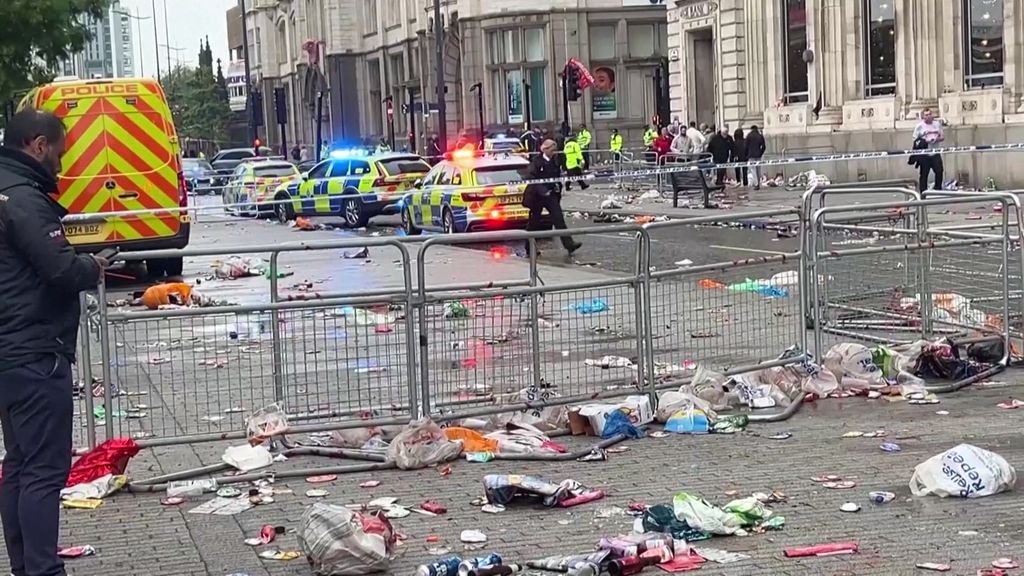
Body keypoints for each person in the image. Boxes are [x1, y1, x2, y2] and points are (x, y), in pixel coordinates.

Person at [0, 109, 106, 576]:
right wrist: (93, 267)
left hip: (9, 350)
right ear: (38, 145)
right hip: (34, 349)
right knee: (42, 469)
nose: (59, 167)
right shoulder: (23, 198)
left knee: (20, 465)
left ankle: (26, 567)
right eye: (58, 154)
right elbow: (58, 270)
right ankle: (42, 570)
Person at [522, 139, 581, 255]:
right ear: (545, 149)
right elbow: (531, 177)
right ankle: (529, 247)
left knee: (559, 219)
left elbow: (557, 175)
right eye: (552, 150)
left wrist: (557, 187)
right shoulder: (536, 161)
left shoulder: (555, 160)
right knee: (534, 223)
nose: (554, 152)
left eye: (555, 150)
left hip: (551, 195)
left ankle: (569, 244)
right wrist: (542, 190)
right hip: (537, 197)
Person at [913, 108, 945, 191]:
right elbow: (915, 140)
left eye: (930, 114)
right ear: (923, 116)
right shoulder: (919, 126)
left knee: (939, 171)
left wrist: (936, 139)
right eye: (926, 115)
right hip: (925, 154)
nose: (929, 116)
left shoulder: (937, 124)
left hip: (935, 152)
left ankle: (938, 189)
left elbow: (942, 137)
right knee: (924, 174)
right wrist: (925, 141)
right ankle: (923, 192)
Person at [745, 124, 767, 190]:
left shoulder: (749, 136)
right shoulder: (760, 136)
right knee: (758, 169)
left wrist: (746, 155)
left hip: (751, 155)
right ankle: (758, 183)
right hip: (758, 155)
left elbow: (746, 146)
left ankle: (756, 184)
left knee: (753, 170)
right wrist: (760, 153)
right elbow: (764, 146)